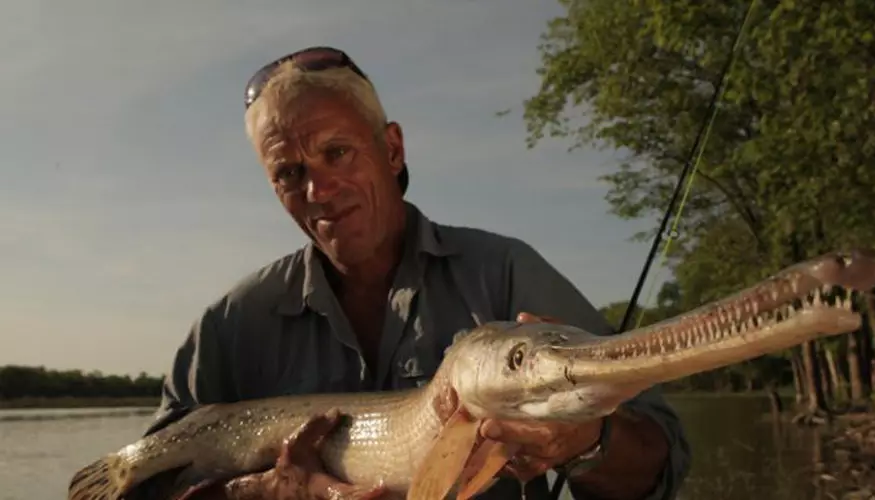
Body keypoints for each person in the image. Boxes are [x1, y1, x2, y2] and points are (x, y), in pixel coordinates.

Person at [136, 46, 691, 500]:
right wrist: (252, 494)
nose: (319, 190)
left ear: (393, 148)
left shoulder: (504, 272)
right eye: (289, 171)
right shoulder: (230, 325)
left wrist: (587, 441)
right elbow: (142, 484)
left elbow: (661, 461)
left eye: (338, 153)